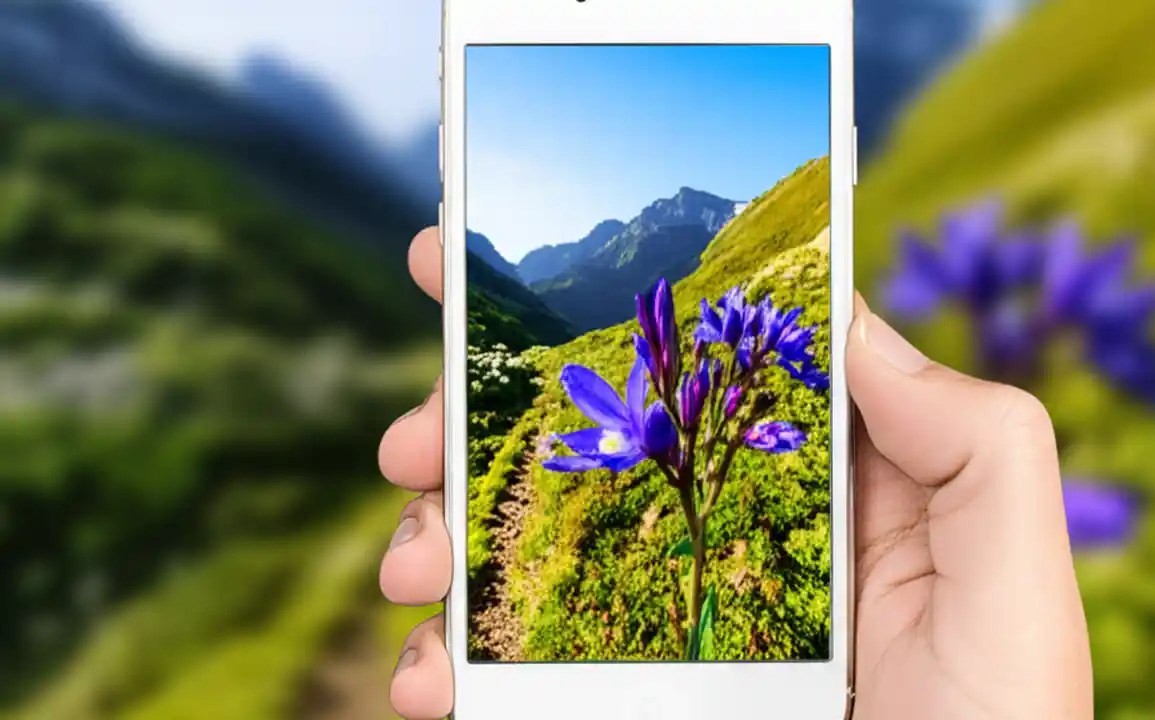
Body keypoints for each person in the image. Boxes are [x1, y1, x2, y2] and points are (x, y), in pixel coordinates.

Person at [377, 227, 1094, 720]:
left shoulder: (682, 415)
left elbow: (658, 431)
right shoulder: (658, 413)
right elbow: (632, 431)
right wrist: (621, 437)